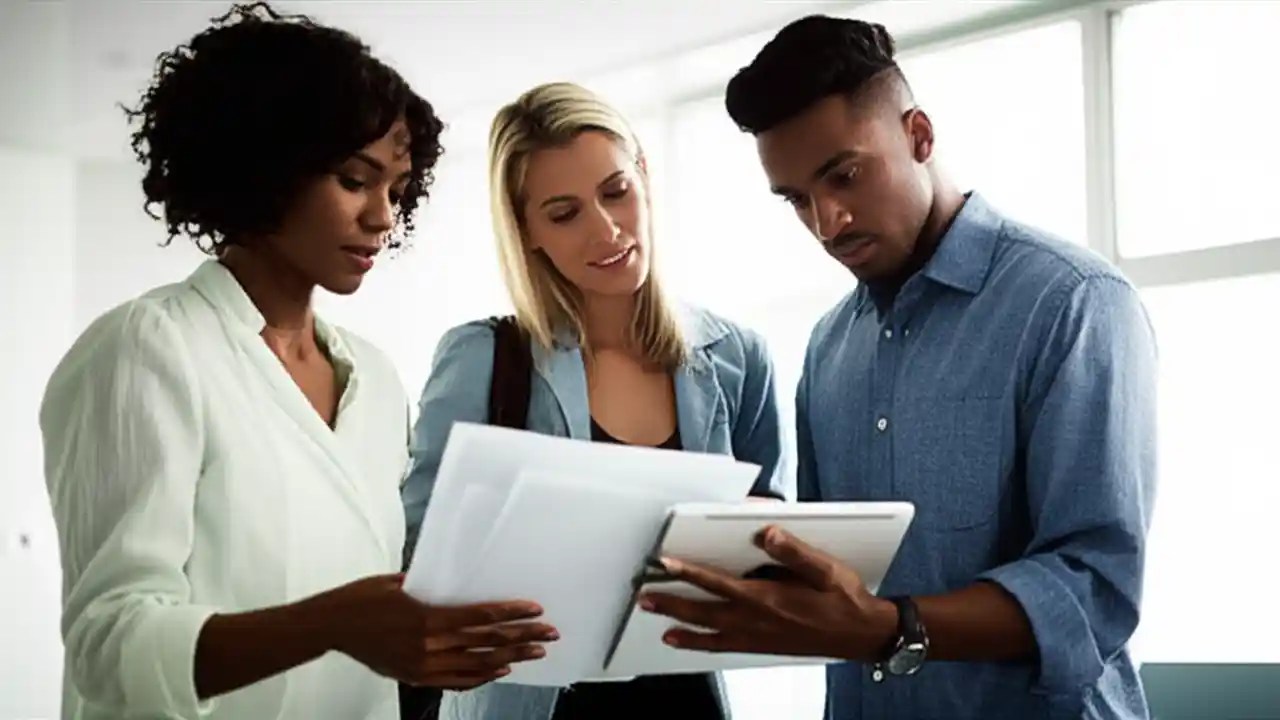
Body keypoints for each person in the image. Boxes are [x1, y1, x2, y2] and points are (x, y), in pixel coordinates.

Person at [39, 4, 556, 719]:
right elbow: (109, 644)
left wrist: (435, 643)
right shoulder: (146, 349)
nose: (383, 216)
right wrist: (330, 624)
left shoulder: (373, 378)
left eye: (397, 190)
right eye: (354, 179)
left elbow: (371, 621)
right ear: (265, 167)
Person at [640, 14, 1158, 720]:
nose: (827, 222)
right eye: (796, 200)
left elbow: (1093, 587)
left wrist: (891, 627)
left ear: (918, 135)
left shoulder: (1072, 303)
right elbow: (846, 581)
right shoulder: (827, 349)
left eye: (844, 176)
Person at [400, 81, 787, 720]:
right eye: (563, 213)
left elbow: (769, 540)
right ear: (526, 232)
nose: (606, 229)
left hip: (684, 699)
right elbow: (416, 558)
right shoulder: (485, 360)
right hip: (531, 702)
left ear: (645, 178)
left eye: (616, 193)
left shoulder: (737, 356)